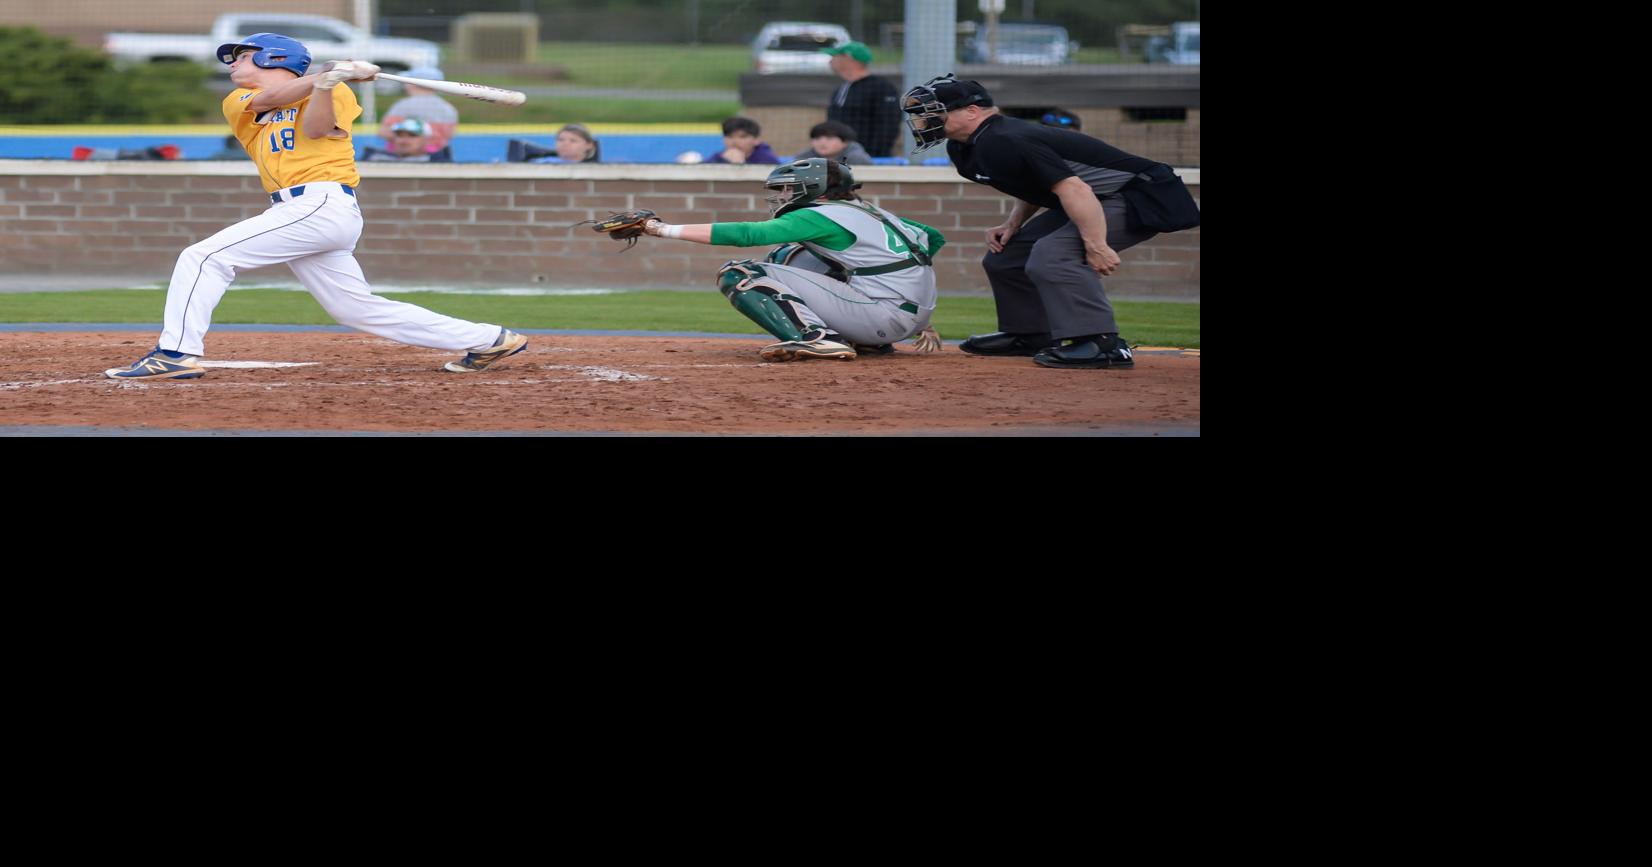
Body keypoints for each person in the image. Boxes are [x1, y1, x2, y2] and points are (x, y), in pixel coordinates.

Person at [104, 33, 528, 381]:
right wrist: (327, 75)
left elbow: (317, 127)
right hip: (302, 211)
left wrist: (328, 83)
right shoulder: (238, 101)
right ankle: (490, 339)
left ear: (274, 58)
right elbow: (273, 99)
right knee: (353, 308)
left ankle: (175, 354)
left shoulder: (336, 92)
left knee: (203, 257)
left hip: (320, 203)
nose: (232, 63)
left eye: (243, 56)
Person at [901, 74, 1199, 370]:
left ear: (972, 111)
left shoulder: (1004, 139)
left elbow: (1074, 188)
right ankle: (1031, 335)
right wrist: (1013, 224)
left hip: (1139, 195)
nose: (926, 121)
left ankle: (1104, 345)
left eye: (936, 113)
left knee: (1054, 254)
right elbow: (1035, 185)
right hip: (1094, 197)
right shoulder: (967, 146)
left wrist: (1095, 244)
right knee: (1008, 257)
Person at [628, 158, 944, 362]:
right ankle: (864, 340)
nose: (782, 195)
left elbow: (747, 235)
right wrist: (918, 306)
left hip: (882, 317)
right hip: (906, 317)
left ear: (814, 189)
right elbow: (932, 239)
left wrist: (660, 229)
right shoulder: (871, 211)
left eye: (789, 188)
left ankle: (816, 338)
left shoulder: (821, 214)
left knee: (740, 273)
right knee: (788, 255)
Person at [821, 41, 903, 158]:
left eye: (834, 56)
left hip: (869, 158)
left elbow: (889, 125)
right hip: (841, 157)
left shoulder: (882, 87)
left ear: (848, 58)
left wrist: (874, 156)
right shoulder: (842, 88)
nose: (830, 61)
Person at [377, 65, 458, 152]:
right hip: (435, 156)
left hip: (401, 156)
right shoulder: (448, 108)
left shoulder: (402, 106)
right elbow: (450, 135)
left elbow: (384, 132)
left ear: (413, 84)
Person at [362, 117, 453, 162]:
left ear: (427, 140)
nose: (404, 140)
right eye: (400, 135)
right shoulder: (375, 158)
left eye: (412, 135)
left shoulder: (438, 163)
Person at [790, 120, 873, 166]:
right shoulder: (804, 158)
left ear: (845, 142)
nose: (822, 143)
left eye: (829, 138)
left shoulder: (857, 158)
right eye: (817, 138)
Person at [706, 116, 782, 165]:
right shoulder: (718, 157)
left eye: (742, 137)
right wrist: (723, 160)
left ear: (757, 140)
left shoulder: (766, 159)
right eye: (730, 136)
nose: (735, 141)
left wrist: (741, 166)